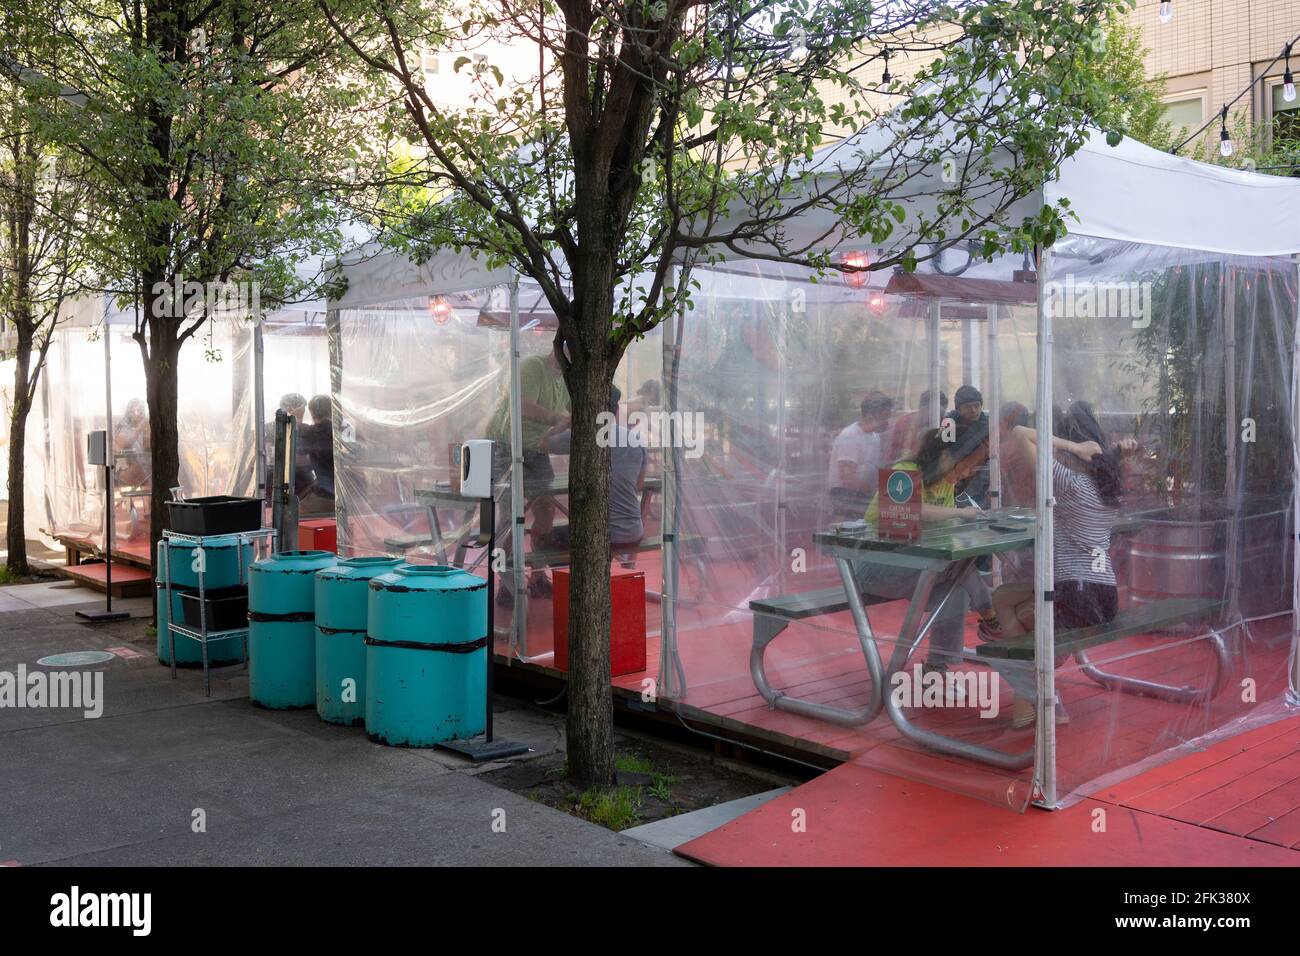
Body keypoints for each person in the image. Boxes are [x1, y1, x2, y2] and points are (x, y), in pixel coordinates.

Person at [985, 402, 1135, 728]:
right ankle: (1041, 699)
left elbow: (1020, 433)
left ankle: (1039, 701)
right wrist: (1104, 451)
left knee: (1017, 627)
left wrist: (1071, 446)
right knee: (1003, 597)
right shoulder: (1107, 488)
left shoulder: (1067, 482)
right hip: (1104, 595)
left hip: (1076, 597)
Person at [860, 427, 1003, 686]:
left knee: (956, 588)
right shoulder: (903, 470)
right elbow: (908, 509)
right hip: (875, 566)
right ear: (943, 456)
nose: (967, 471)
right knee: (958, 569)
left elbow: (941, 533)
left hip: (914, 565)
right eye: (963, 463)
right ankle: (991, 616)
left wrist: (970, 527)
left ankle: (937, 669)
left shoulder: (944, 483)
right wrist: (960, 514)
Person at [485, 348, 570, 604]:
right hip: (505, 445)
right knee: (511, 515)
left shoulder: (565, 378)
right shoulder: (533, 367)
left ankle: (537, 577)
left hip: (534, 447)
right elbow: (521, 404)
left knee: (546, 509)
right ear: (560, 350)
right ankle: (508, 584)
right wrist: (556, 418)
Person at [540, 384, 647, 560]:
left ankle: (539, 580)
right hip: (634, 533)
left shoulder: (581, 436)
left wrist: (564, 423)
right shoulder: (635, 439)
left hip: (598, 536)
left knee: (543, 536)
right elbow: (638, 486)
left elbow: (540, 444)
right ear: (616, 410)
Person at [828, 391, 894, 519]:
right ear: (870, 416)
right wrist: (874, 491)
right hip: (845, 497)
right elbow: (848, 479)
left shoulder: (874, 437)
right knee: (847, 532)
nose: (887, 422)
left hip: (862, 494)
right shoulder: (850, 437)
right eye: (884, 417)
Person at [885, 389, 946, 463]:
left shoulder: (943, 425)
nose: (938, 417)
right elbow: (893, 454)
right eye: (934, 412)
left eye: (941, 413)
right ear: (922, 407)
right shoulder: (904, 423)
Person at [300, 394, 334, 500]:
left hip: (325, 489)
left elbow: (300, 453)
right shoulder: (342, 430)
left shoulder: (311, 432)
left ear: (312, 413)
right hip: (346, 485)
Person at [113, 398, 151, 487]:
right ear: (129, 413)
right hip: (129, 469)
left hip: (147, 470)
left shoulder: (147, 428)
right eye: (138, 410)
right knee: (139, 471)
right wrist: (140, 427)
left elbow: (148, 448)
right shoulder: (122, 427)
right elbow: (124, 444)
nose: (141, 413)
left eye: (142, 410)